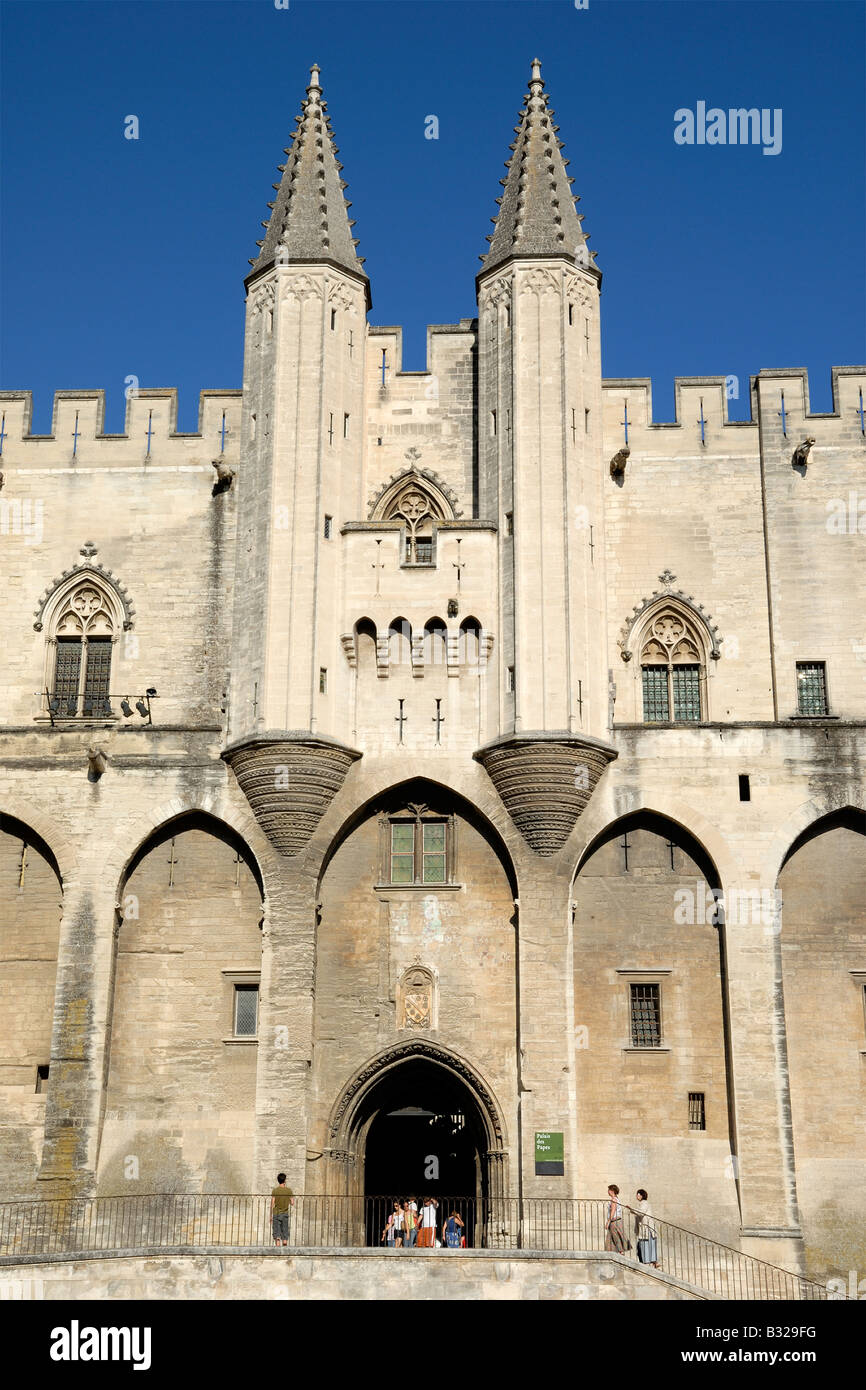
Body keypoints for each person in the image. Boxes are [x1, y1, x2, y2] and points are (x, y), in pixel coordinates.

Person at [632, 1189, 659, 1267]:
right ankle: (652, 1261)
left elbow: (641, 1212)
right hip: (645, 1227)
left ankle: (649, 1262)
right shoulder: (642, 1203)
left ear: (641, 1195)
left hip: (647, 1227)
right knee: (647, 1243)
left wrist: (631, 1209)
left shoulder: (644, 1203)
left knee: (647, 1243)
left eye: (637, 1194)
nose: (636, 1196)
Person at [270, 1173, 294, 1247]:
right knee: (285, 1231)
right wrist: (288, 1201)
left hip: (276, 1213)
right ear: (285, 1181)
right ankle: (285, 1245)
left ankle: (278, 1250)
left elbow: (272, 1203)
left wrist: (270, 1215)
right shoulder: (289, 1190)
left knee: (277, 1234)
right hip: (285, 1213)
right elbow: (292, 1203)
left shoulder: (275, 1191)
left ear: (278, 1181)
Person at [604, 1184, 626, 1253]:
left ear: (612, 1191)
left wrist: (608, 1222)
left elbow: (612, 1211)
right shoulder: (616, 1199)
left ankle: (620, 1251)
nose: (608, 1191)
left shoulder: (614, 1199)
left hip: (614, 1221)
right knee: (611, 1238)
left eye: (609, 1190)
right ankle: (612, 1252)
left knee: (615, 1237)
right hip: (616, 1220)